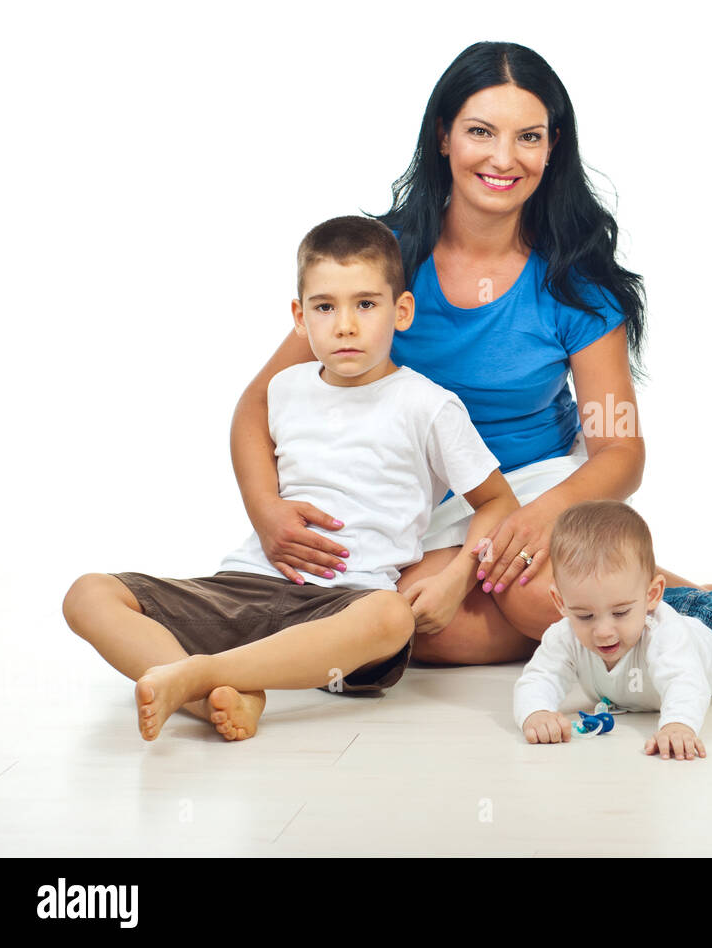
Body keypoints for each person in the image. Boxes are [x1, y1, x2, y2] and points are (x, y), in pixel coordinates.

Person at [231, 42, 666, 667]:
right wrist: (265, 509)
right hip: (410, 504)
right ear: (443, 137)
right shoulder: (380, 265)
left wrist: (541, 518)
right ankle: (639, 594)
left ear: (553, 147)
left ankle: (697, 614)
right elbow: (257, 402)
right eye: (480, 132)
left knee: (523, 592)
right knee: (409, 622)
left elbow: (620, 449)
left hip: (532, 484)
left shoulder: (576, 285)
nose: (503, 158)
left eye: (529, 137)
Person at [62, 216, 513, 741]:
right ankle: (218, 700)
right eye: (325, 307)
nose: (345, 325)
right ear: (300, 317)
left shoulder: (429, 406)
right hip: (246, 583)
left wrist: (456, 580)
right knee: (87, 594)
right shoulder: (284, 389)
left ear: (402, 310)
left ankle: (198, 674)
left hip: (345, 602)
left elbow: (497, 502)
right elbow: (253, 456)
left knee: (392, 619)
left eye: (365, 304)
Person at [513, 501, 712, 760]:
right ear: (560, 602)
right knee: (638, 614)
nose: (603, 631)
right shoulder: (563, 635)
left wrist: (678, 724)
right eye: (585, 615)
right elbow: (540, 677)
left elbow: (685, 681)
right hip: (664, 608)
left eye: (619, 612)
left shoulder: (664, 635)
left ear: (652, 594)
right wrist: (536, 712)